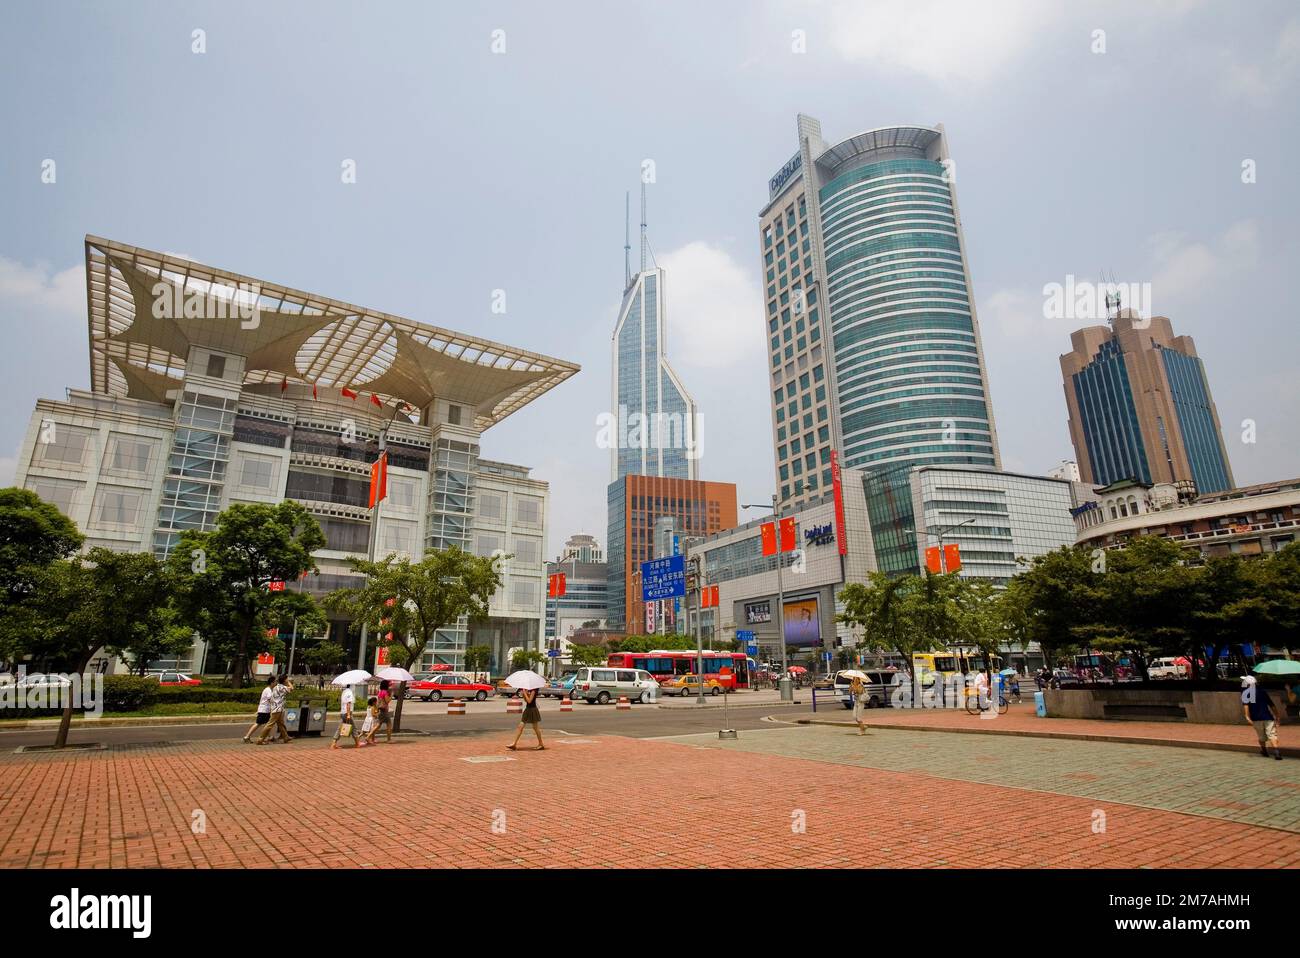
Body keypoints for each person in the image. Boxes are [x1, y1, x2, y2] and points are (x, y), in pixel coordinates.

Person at [1242, 675, 1283, 760]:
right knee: (1272, 735)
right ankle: (1277, 753)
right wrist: (1277, 715)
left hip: (1256, 718)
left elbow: (1246, 706)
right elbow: (1272, 705)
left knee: (1261, 736)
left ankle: (1264, 751)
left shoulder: (1246, 693)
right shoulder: (1262, 691)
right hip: (1267, 717)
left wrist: (1247, 716)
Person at [257, 674, 294, 745]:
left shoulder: (276, 687)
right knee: (270, 724)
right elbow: (291, 688)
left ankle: (286, 737)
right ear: (284, 680)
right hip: (277, 708)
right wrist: (289, 682)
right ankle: (260, 739)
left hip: (276, 708)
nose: (288, 680)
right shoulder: (282, 687)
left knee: (281, 723)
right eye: (287, 679)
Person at [507, 686, 545, 751]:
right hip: (528, 709)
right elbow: (526, 701)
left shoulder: (534, 690)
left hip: (532, 710)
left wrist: (525, 692)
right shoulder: (530, 690)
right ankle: (514, 744)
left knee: (535, 727)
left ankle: (541, 744)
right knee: (520, 726)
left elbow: (529, 701)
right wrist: (524, 694)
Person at [243, 675, 277, 743]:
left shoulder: (269, 689)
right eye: (275, 682)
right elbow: (270, 699)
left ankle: (270, 737)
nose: (276, 683)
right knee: (258, 723)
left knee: (267, 724)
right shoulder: (268, 690)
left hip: (265, 709)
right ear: (272, 683)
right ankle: (247, 736)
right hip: (264, 710)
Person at [331, 683, 360, 749]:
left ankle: (334, 743)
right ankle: (357, 743)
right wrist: (349, 714)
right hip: (347, 712)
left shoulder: (344, 692)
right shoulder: (349, 692)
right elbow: (348, 703)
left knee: (339, 728)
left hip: (343, 712)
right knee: (354, 728)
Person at [370, 679, 393, 744]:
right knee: (388, 725)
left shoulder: (380, 692)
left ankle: (370, 737)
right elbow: (387, 701)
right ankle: (388, 739)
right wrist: (391, 695)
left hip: (380, 710)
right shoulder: (385, 692)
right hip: (384, 711)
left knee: (378, 725)